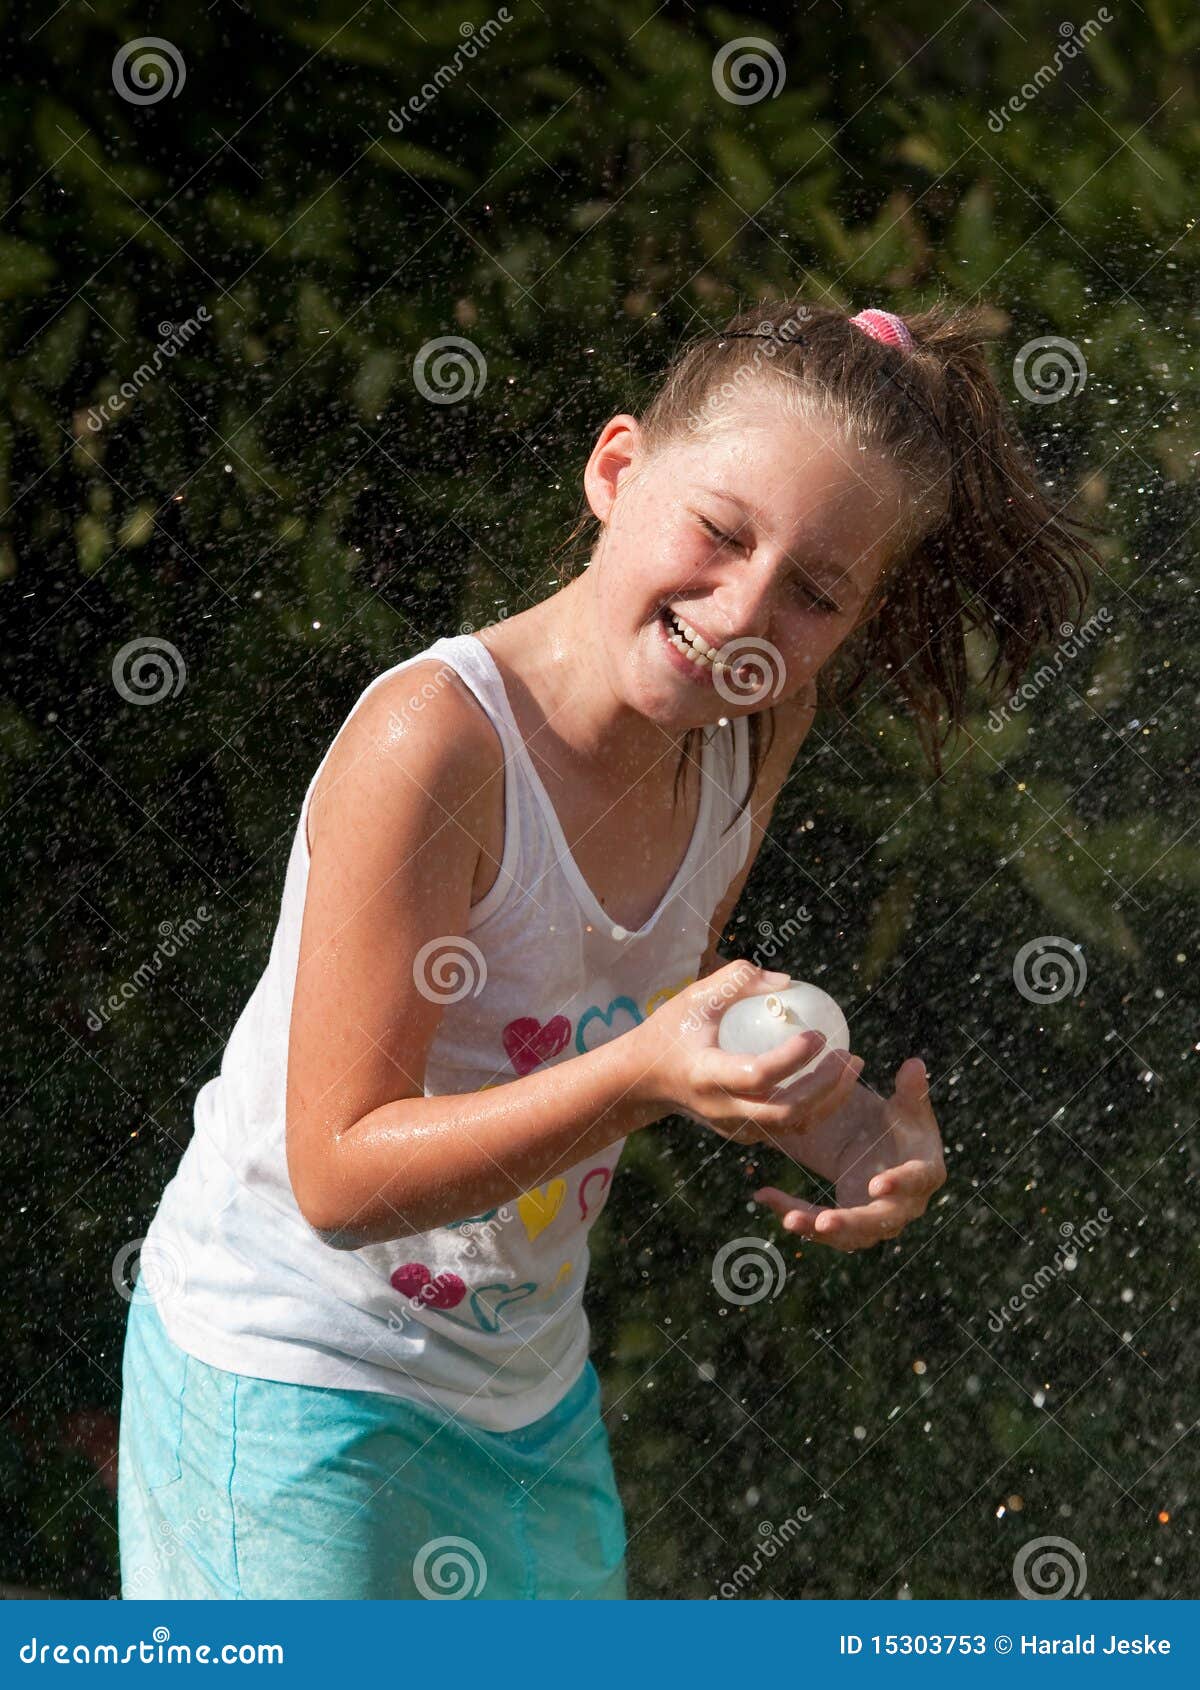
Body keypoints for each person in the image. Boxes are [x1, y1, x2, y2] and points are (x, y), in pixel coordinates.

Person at [117, 299, 1098, 1600]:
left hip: (522, 1396)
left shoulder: (752, 731)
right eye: (720, 531)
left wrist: (840, 1124)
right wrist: (643, 1074)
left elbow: (639, 1007)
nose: (746, 611)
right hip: (293, 1375)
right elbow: (340, 1175)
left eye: (815, 593)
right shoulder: (440, 749)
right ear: (617, 467)